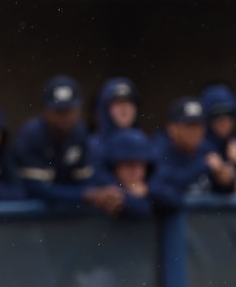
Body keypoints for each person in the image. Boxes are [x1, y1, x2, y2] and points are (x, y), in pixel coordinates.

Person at [13, 76, 119, 214]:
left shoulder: (80, 133)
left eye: (69, 110)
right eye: (59, 111)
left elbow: (85, 181)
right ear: (46, 111)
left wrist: (102, 195)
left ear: (78, 110)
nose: (65, 117)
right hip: (30, 216)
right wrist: (87, 195)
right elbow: (36, 189)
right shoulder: (31, 135)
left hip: (66, 213)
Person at [148, 97, 236, 210]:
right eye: (188, 125)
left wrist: (226, 181)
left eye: (198, 125)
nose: (194, 131)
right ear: (172, 127)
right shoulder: (158, 151)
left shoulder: (207, 149)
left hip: (203, 219)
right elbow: (160, 190)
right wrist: (203, 166)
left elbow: (220, 191)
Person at [96, 129, 155, 219]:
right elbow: (141, 208)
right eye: (128, 164)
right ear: (115, 166)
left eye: (140, 164)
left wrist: (148, 191)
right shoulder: (102, 184)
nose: (135, 170)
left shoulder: (152, 185)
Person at [90, 76, 141, 165]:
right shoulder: (93, 147)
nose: (124, 108)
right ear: (106, 109)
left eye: (129, 102)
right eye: (118, 103)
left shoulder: (145, 143)